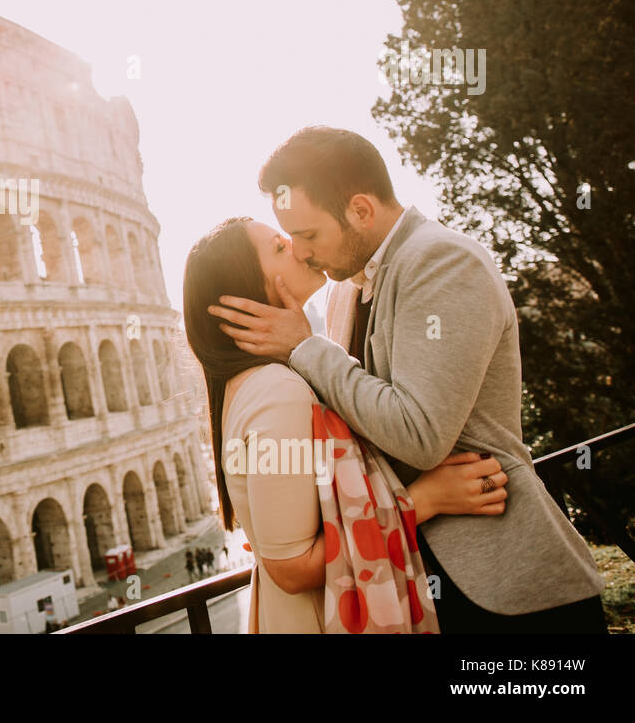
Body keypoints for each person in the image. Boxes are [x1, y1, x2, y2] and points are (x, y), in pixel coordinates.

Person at [208, 126, 606, 633]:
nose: (303, 253)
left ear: (360, 210)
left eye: (308, 235)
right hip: (416, 578)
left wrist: (304, 347)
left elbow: (419, 437)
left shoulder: (442, 261)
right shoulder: (342, 292)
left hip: (507, 584)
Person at [184, 215, 510, 632]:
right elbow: (291, 567)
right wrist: (427, 499)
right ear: (245, 292)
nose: (299, 248)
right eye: (280, 247)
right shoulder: (276, 394)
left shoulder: (257, 384)